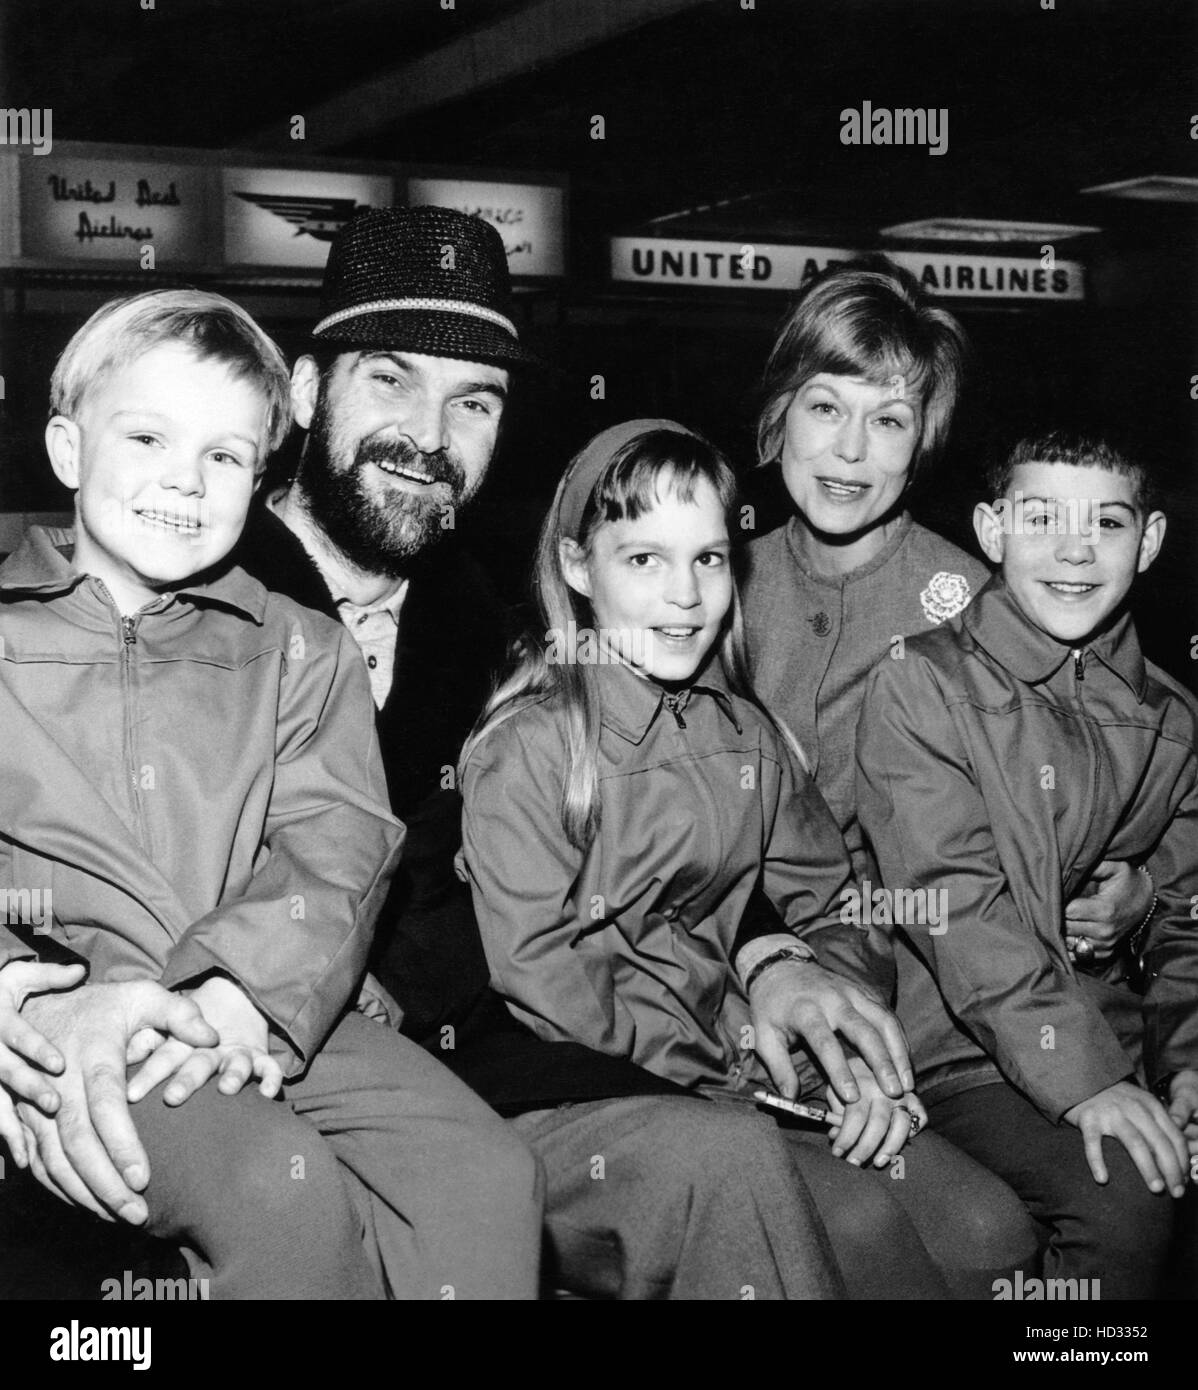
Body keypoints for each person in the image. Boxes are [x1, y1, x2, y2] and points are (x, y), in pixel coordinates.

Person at [231, 207, 851, 1299]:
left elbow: (663, 801)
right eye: (391, 378)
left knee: (760, 1172)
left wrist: (770, 953)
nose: (431, 435)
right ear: (305, 391)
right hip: (267, 1066)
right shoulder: (203, 589)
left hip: (504, 1056)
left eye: (473, 400)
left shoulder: (498, 628)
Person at [0, 289, 542, 1300]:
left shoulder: (299, 647)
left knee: (484, 1177)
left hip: (253, 1004)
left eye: (224, 457)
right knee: (278, 1195)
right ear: (68, 450)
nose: (184, 479)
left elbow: (336, 844)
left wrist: (241, 986)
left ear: (260, 478)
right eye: (149, 435)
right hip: (66, 1016)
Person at [460, 417, 1039, 1299]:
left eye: (709, 559)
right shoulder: (534, 745)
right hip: (605, 1085)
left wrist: (839, 1054)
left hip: (752, 1074)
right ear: (579, 569)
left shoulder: (748, 735)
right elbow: (543, 973)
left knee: (988, 1232)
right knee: (866, 1228)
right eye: (644, 560)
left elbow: (832, 908)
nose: (685, 595)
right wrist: (726, 1058)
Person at [856, 430, 1198, 1298]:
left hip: (1119, 1047)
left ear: (1149, 542)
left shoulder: (1172, 717)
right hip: (963, 1046)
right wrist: (1090, 1085)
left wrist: (1188, 1070)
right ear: (991, 529)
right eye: (1040, 517)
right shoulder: (921, 686)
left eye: (1107, 523)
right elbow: (955, 909)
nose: (1075, 549)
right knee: (1125, 1191)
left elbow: (1186, 923)